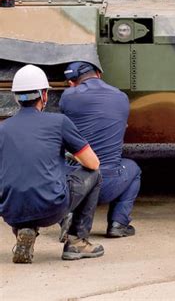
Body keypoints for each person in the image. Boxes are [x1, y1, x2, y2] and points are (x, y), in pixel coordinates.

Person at [0, 64, 104, 263]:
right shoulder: (59, 122)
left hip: (11, 212)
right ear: (44, 95)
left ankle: (24, 229)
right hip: (51, 208)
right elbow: (93, 163)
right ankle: (76, 241)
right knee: (95, 175)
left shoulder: (3, 129)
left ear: (15, 97)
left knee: (18, 186)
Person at [60, 62, 141, 238]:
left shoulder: (68, 96)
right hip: (108, 184)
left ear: (72, 82)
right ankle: (118, 224)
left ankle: (67, 213)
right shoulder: (121, 97)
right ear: (98, 74)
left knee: (61, 164)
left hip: (74, 184)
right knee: (133, 169)